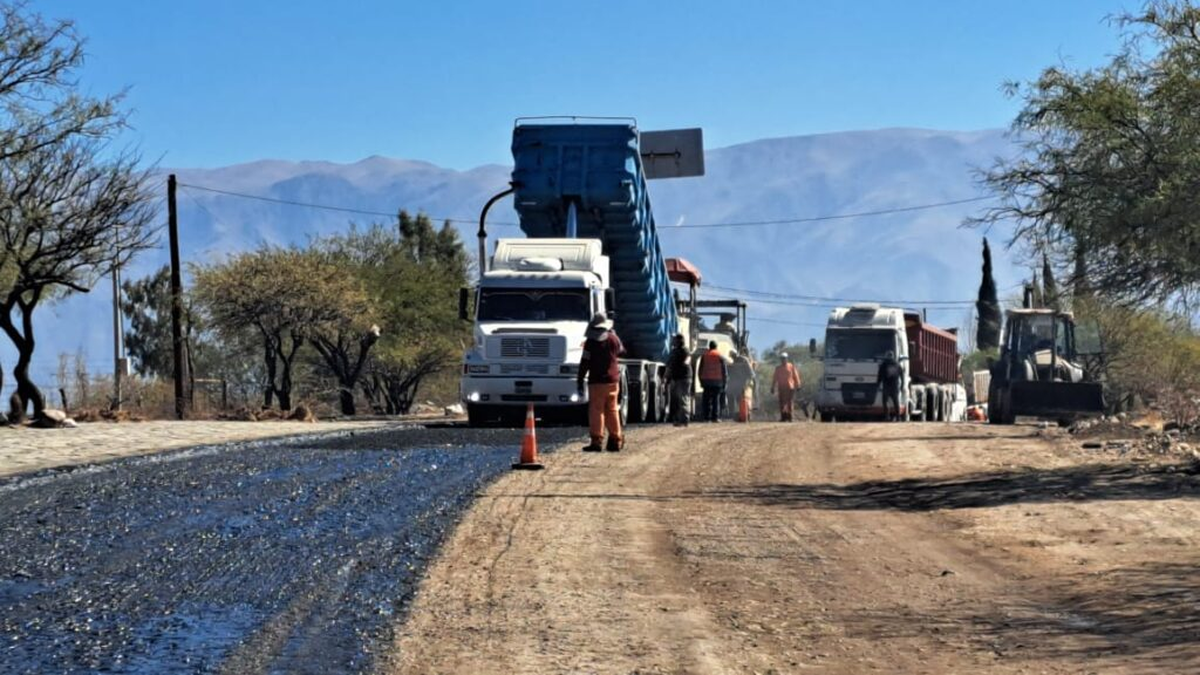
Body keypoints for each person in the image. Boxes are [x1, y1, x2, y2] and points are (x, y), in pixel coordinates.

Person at [577, 312, 626, 451]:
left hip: (597, 381)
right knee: (612, 410)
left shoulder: (590, 343)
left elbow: (585, 362)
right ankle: (616, 440)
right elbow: (622, 351)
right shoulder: (613, 339)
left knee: (596, 410)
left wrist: (580, 378)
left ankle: (597, 441)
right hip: (613, 381)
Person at [666, 333, 692, 426]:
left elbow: (687, 359)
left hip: (682, 378)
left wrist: (666, 377)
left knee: (682, 398)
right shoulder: (678, 351)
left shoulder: (682, 351)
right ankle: (679, 419)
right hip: (680, 377)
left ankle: (684, 420)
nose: (673, 342)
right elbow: (669, 365)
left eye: (674, 340)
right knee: (678, 399)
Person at [697, 340, 727, 422]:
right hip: (717, 381)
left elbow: (700, 369)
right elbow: (724, 371)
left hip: (706, 381)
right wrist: (724, 382)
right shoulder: (720, 356)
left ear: (709, 347)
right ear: (716, 347)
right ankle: (715, 417)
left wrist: (701, 380)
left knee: (706, 400)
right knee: (716, 400)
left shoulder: (704, 356)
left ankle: (706, 417)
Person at [726, 350, 756, 422]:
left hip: (746, 382)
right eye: (732, 356)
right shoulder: (734, 362)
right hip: (737, 383)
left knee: (744, 399)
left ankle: (746, 414)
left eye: (733, 356)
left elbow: (751, 373)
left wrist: (747, 383)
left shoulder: (743, 360)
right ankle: (736, 413)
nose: (733, 357)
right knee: (731, 395)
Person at [770, 353, 801, 421]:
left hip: (790, 387)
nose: (783, 360)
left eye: (784, 358)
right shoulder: (778, 368)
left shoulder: (791, 366)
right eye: (782, 358)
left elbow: (796, 376)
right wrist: (772, 387)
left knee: (790, 402)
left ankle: (790, 417)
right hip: (781, 388)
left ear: (787, 359)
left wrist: (798, 385)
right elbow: (775, 378)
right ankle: (783, 417)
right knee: (782, 402)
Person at [877, 349, 903, 421]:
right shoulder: (897, 364)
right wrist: (902, 385)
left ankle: (887, 417)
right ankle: (898, 417)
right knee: (896, 402)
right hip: (895, 387)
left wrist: (878, 384)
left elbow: (880, 375)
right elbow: (902, 376)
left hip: (886, 386)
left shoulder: (884, 364)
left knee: (885, 402)